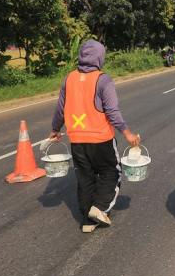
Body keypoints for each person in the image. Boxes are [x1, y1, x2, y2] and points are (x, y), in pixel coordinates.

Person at [49, 40, 141, 233]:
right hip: (101, 140)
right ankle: (99, 208)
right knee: (112, 173)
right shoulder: (103, 79)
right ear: (100, 57)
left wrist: (55, 129)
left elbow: (60, 108)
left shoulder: (69, 78)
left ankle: (88, 221)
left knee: (85, 179)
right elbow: (112, 111)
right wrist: (127, 133)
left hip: (77, 141)